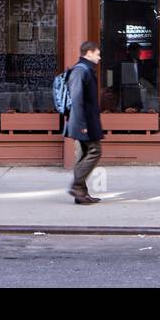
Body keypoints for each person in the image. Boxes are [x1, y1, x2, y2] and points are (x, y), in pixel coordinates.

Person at [64, 40, 105, 205]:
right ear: (88, 53)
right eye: (97, 53)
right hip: (83, 123)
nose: (99, 57)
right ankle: (76, 186)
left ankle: (81, 194)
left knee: (82, 156)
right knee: (95, 151)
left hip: (84, 121)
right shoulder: (81, 71)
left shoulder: (86, 69)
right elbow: (77, 100)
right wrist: (82, 126)